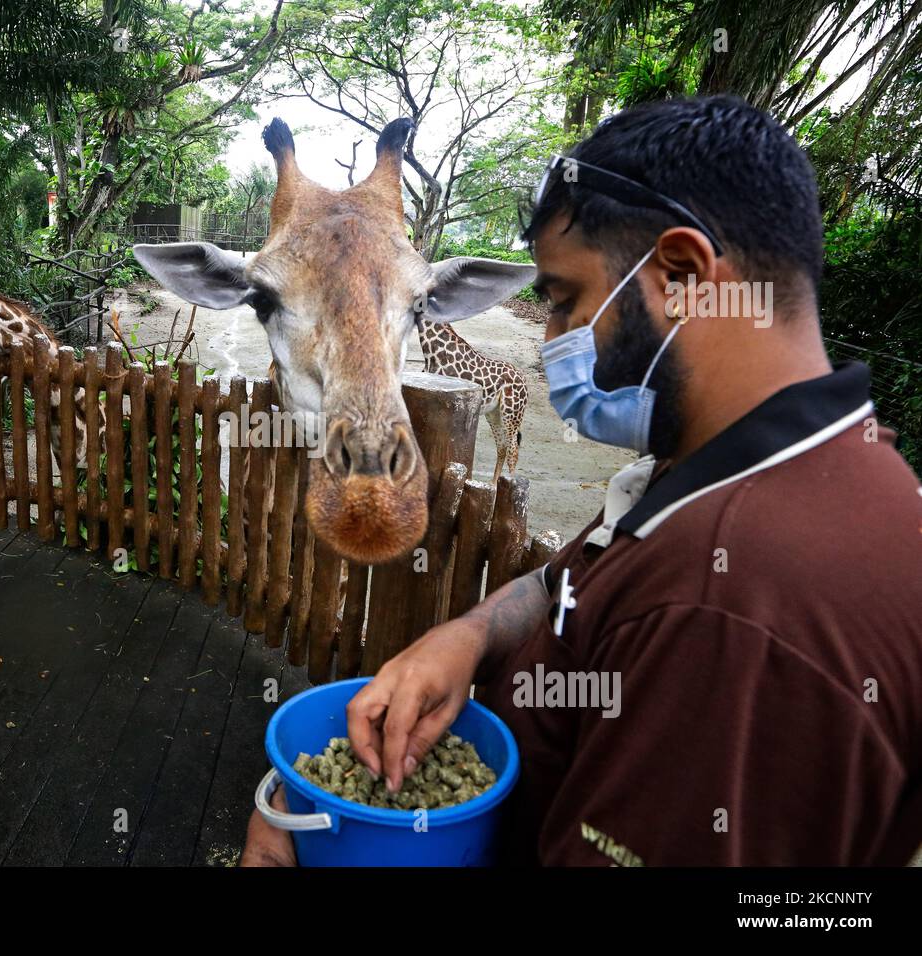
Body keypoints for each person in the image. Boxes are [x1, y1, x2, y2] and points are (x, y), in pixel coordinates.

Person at [242, 96, 922, 866]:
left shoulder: (731, 604)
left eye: (563, 301)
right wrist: (468, 636)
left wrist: (325, 844)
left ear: (682, 274)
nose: (551, 343)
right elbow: (574, 582)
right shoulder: (724, 473)